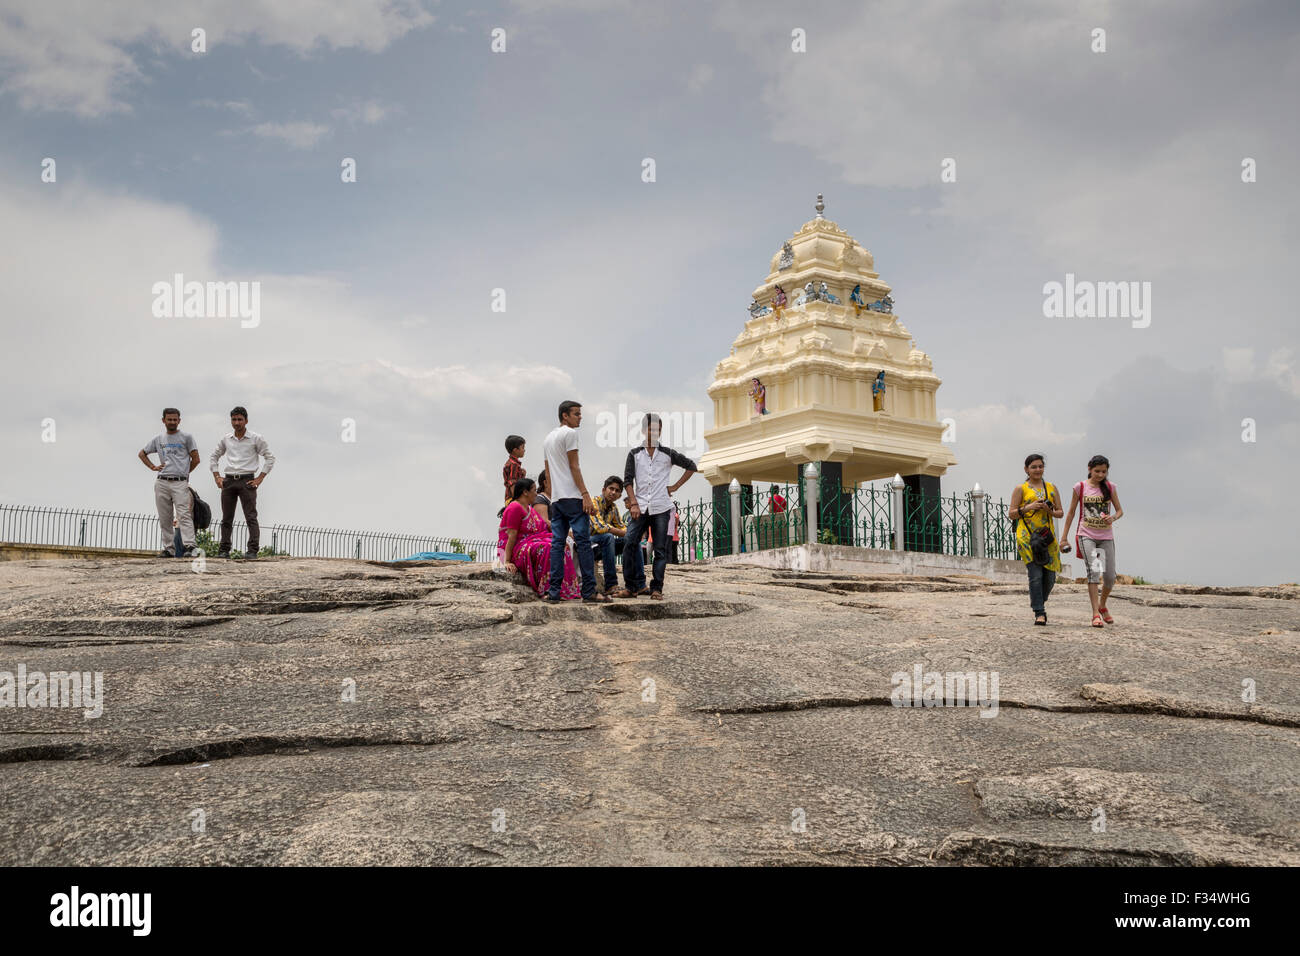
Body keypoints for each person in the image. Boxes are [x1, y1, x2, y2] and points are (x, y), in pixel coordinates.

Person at [613, 413, 698, 600]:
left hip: (661, 507)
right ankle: (631, 587)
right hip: (640, 507)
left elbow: (691, 466)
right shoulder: (634, 454)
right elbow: (628, 481)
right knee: (629, 542)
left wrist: (675, 486)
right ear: (644, 430)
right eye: (650, 429)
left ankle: (657, 588)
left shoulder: (668, 454)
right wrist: (633, 503)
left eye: (657, 429)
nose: (654, 432)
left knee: (660, 550)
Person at [542, 401, 606, 603]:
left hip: (558, 499)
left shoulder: (548, 438)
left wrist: (552, 496)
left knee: (558, 545)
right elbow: (574, 466)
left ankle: (554, 593)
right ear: (565, 416)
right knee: (584, 543)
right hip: (572, 496)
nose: (580, 417)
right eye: (576, 414)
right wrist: (585, 494)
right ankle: (588, 592)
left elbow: (549, 472)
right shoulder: (570, 434)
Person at [1061, 454, 1124, 627]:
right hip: (1086, 535)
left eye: (1104, 471)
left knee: (1110, 576)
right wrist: (1064, 537)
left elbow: (1119, 511)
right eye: (1097, 471)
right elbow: (1072, 512)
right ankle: (1095, 613)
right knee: (1094, 571)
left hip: (1106, 537)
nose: (1100, 475)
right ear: (1090, 469)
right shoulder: (1080, 487)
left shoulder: (1110, 488)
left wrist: (1113, 518)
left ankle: (1103, 605)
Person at [210, 406, 275, 560]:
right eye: (234, 419)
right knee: (227, 518)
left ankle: (252, 550)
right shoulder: (226, 438)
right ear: (231, 420)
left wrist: (260, 478)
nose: (237, 422)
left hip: (247, 480)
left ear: (246, 420)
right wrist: (217, 476)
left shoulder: (255, 438)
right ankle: (224, 550)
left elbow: (270, 457)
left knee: (251, 517)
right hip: (229, 480)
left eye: (240, 419)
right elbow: (214, 456)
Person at [498, 478, 580, 599]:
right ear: (525, 492)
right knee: (547, 547)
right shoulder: (514, 507)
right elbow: (511, 536)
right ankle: (546, 590)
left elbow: (542, 527)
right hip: (517, 548)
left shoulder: (530, 508)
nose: (536, 493)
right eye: (534, 490)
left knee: (560, 544)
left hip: (531, 541)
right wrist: (507, 561)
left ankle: (563, 589)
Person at [1009, 453, 1063, 626]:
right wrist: (1029, 507)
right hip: (1027, 537)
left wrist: (1049, 511)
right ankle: (1039, 612)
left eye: (1040, 466)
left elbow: (1060, 512)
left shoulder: (1051, 488)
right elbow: (1011, 514)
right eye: (1033, 467)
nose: (1037, 470)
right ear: (1026, 469)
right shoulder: (1021, 489)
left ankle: (1038, 600)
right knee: (1035, 575)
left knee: (1050, 578)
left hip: (1047, 537)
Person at [138, 407, 201, 558]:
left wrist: (185, 473)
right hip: (162, 481)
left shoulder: (186, 437)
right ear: (163, 420)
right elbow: (142, 453)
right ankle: (169, 548)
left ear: (179, 420)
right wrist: (153, 466)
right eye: (169, 419)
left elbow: (196, 459)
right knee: (165, 517)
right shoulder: (158, 439)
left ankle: (190, 546)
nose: (172, 422)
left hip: (179, 481)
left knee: (184, 514)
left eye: (175, 419)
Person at [589, 476, 627, 595]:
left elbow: (622, 527)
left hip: (602, 546)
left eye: (617, 491)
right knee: (608, 537)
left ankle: (636, 582)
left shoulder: (613, 508)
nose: (613, 492)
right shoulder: (593, 502)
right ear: (603, 489)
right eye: (611, 489)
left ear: (620, 496)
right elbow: (600, 528)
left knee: (630, 540)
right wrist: (624, 533)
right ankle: (611, 584)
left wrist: (630, 534)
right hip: (587, 543)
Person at [503, 435, 526, 505]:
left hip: (510, 499)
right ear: (515, 450)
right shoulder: (514, 465)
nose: (524, 450)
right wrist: (517, 500)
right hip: (513, 499)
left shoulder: (510, 463)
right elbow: (512, 483)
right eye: (522, 447)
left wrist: (523, 476)